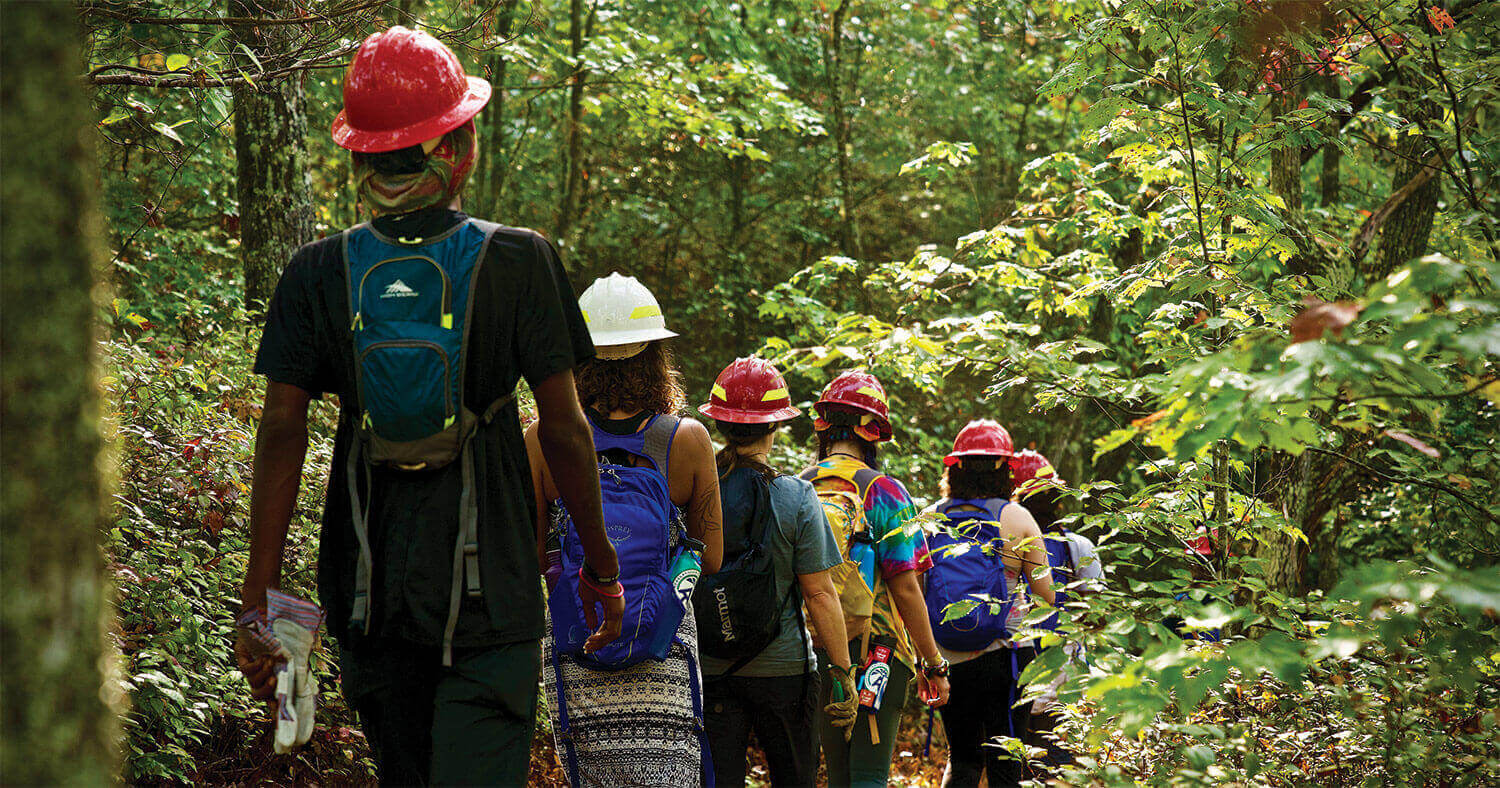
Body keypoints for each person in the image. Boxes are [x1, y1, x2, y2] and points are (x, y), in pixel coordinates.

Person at [236, 26, 623, 786]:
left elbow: (282, 429)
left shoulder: (315, 273)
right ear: (458, 144)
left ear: (360, 156)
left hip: (368, 591)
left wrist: (259, 593)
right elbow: (567, 429)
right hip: (492, 593)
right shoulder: (521, 258)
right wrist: (600, 566)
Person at [526, 272, 724, 787]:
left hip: (578, 637)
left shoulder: (541, 438)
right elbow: (713, 556)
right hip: (662, 642)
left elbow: (531, 553)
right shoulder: (688, 441)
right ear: (658, 355)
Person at [695, 358, 860, 787]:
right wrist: (843, 671)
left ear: (720, 424)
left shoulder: (694, 488)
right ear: (775, 427)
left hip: (711, 668)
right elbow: (820, 594)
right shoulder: (797, 495)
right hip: (785, 671)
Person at [798, 370, 951, 788]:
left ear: (824, 424)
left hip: (812, 648)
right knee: (866, 775)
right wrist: (932, 662)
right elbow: (905, 585)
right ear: (874, 432)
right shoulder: (885, 491)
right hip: (877, 652)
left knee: (837, 772)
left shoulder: (796, 487)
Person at [925, 421, 1056, 788]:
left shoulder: (931, 518)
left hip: (949, 656)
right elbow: (1046, 594)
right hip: (1008, 656)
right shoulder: (1016, 518)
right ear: (1006, 469)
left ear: (955, 467)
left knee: (964, 758)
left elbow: (919, 592)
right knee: (1005, 760)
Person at [1008, 449, 1104, 771]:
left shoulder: (999, 543)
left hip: (1010, 664)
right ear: (1057, 498)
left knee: (1011, 759)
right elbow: (1096, 613)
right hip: (1064, 670)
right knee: (1057, 761)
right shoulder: (1078, 547)